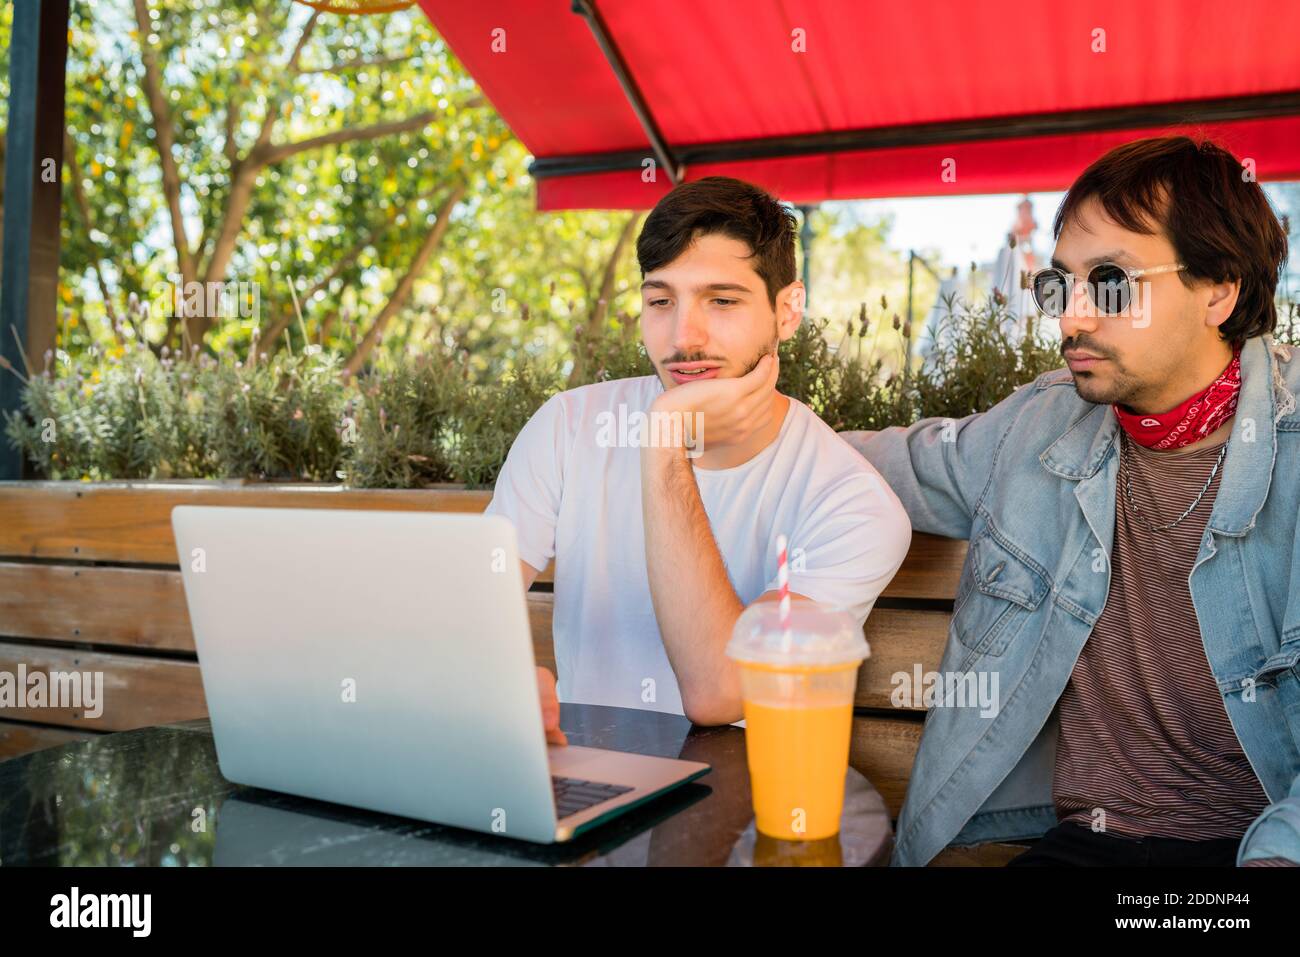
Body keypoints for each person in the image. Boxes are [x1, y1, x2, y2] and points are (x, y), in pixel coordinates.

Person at [843, 135, 1300, 866]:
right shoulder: (1042, 424)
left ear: (1219, 288)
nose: (1072, 319)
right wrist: (725, 422)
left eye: (1111, 282)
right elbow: (873, 466)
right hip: (1074, 847)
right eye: (1060, 286)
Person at [487, 176, 912, 738]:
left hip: (741, 805)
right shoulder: (569, 427)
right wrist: (497, 679)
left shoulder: (853, 506)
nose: (683, 335)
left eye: (722, 300)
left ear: (787, 311)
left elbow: (717, 692)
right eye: (661, 301)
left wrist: (664, 438)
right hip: (581, 786)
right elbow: (473, 607)